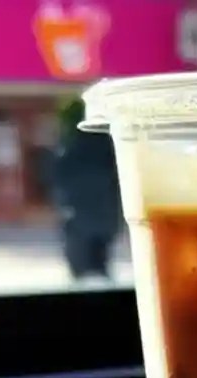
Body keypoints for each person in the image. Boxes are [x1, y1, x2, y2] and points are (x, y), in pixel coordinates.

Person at [52, 99, 122, 282]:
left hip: (80, 216)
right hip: (104, 215)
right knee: (101, 266)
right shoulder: (108, 145)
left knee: (81, 271)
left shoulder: (70, 147)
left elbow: (59, 177)